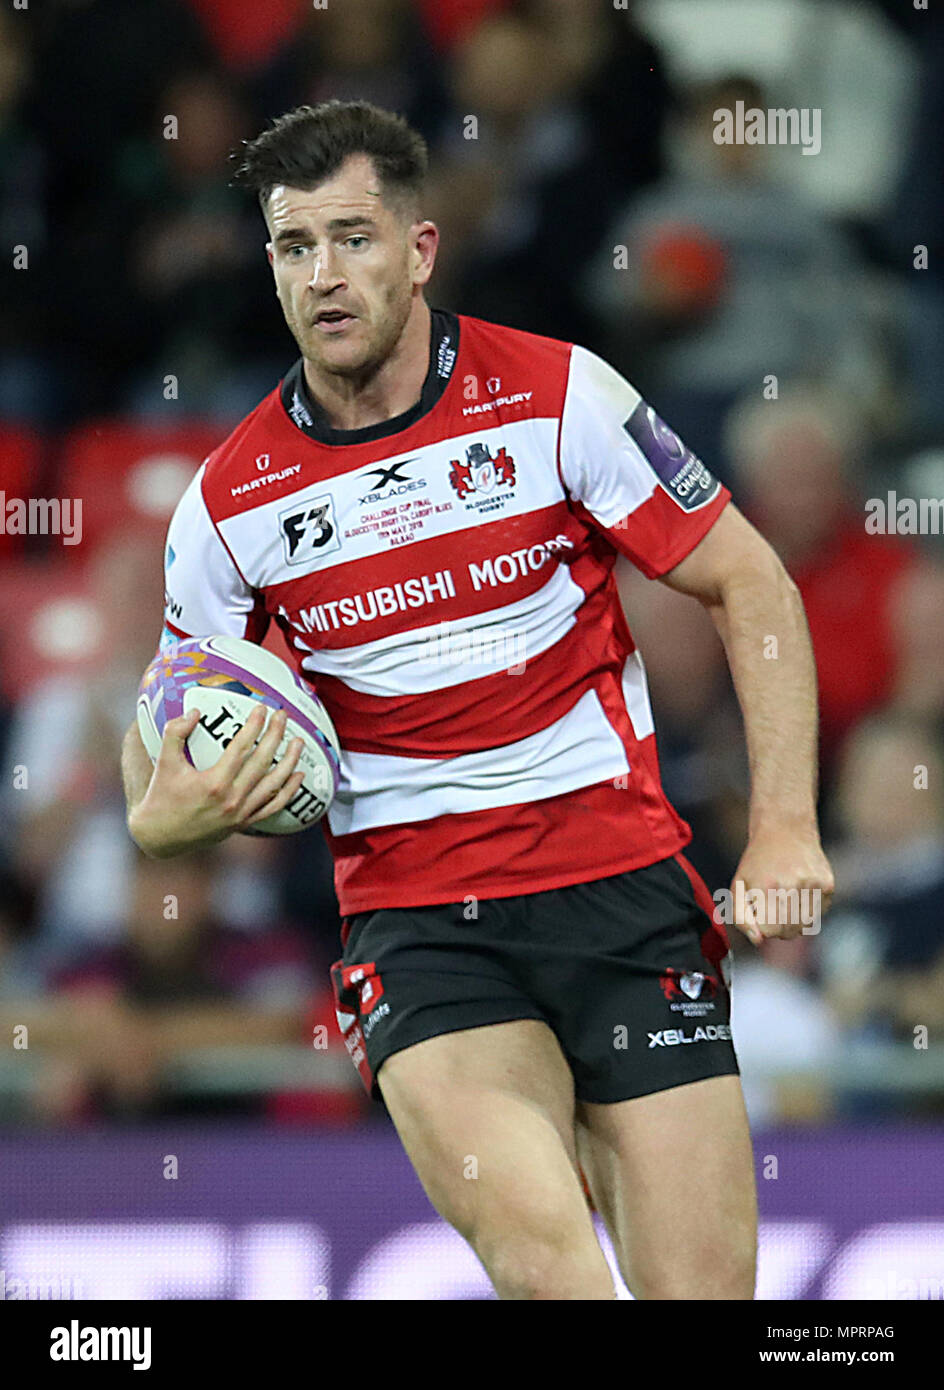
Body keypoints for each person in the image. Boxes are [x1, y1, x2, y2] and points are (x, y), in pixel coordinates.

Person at [120, 100, 834, 1301]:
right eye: (293, 247)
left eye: (351, 238)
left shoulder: (560, 398)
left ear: (419, 248)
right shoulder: (230, 505)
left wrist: (784, 826)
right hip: (420, 921)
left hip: (620, 889)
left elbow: (748, 580)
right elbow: (173, 746)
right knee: (547, 1266)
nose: (323, 276)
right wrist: (163, 821)